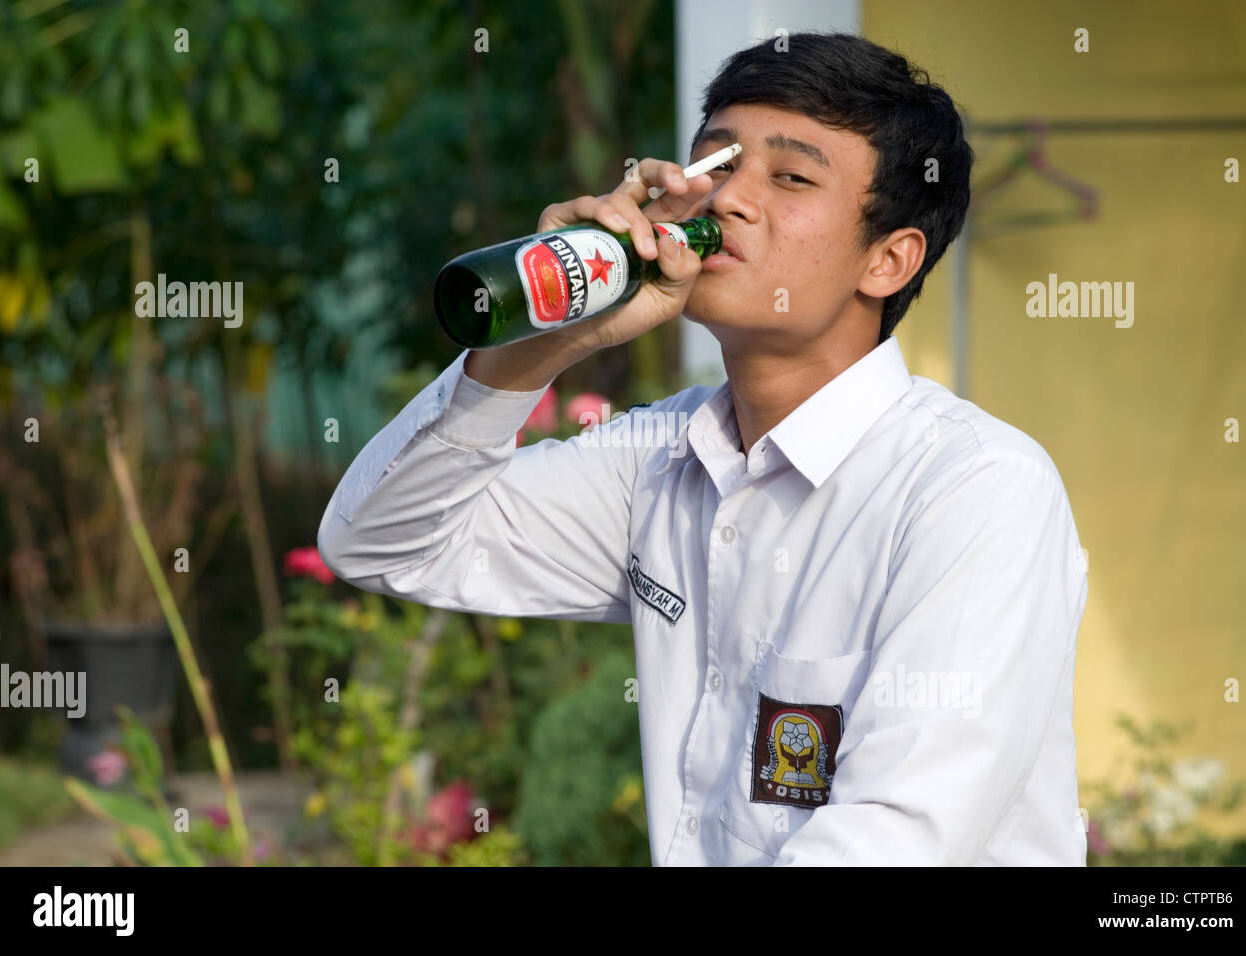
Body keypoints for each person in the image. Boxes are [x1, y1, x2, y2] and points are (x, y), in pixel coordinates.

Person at [318, 31, 1089, 866]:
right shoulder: (660, 458)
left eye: (789, 177)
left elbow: (894, 838)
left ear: (889, 259)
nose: (729, 199)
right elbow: (380, 539)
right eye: (715, 165)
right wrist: (552, 337)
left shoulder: (976, 491)